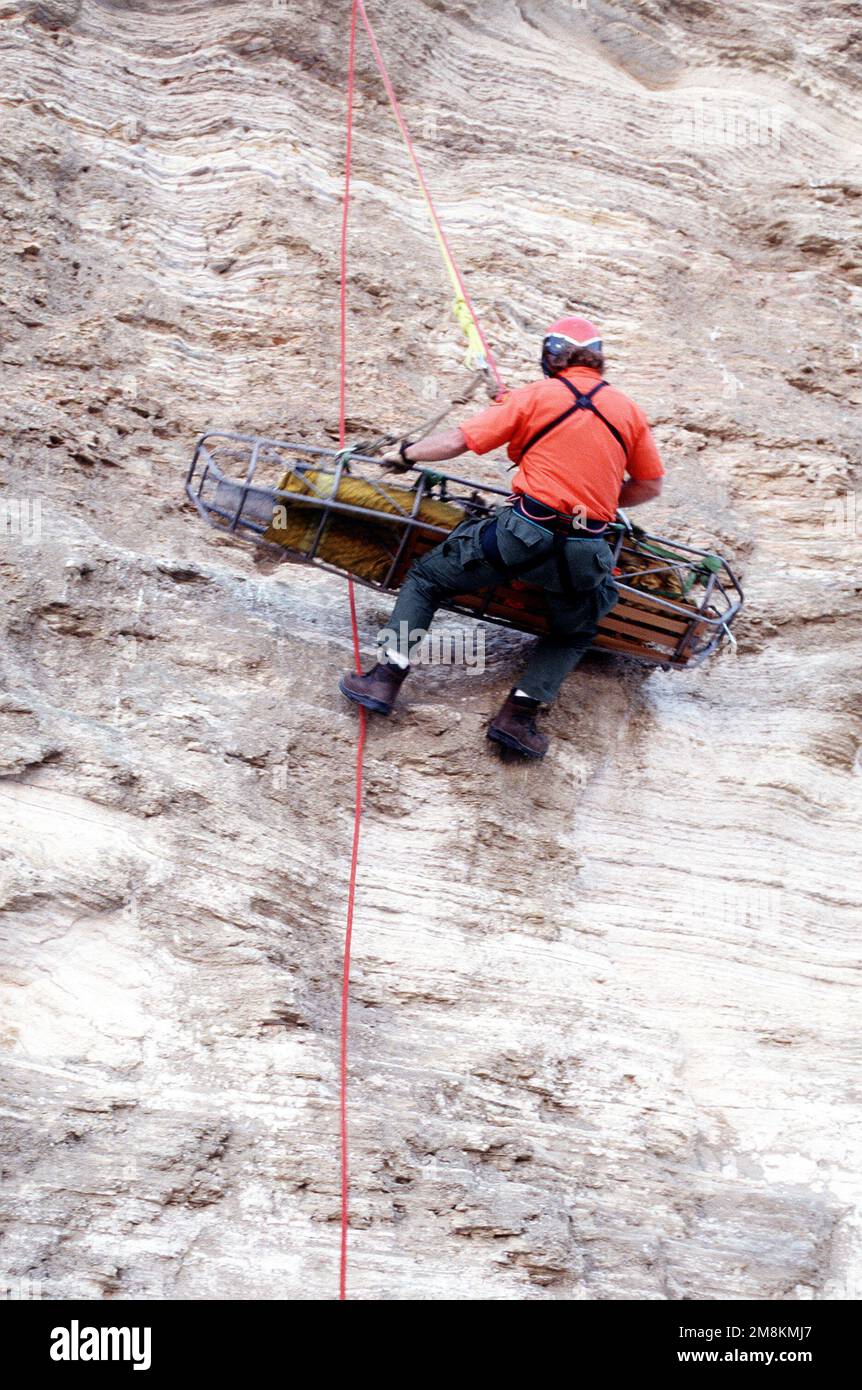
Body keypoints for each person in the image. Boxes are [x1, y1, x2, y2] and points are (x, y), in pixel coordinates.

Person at [339, 315, 664, 758]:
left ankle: (385, 679)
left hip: (520, 533)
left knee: (427, 580)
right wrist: (596, 499)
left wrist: (405, 454)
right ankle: (518, 717)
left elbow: (459, 441)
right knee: (574, 631)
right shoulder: (628, 411)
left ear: (551, 356)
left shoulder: (533, 396)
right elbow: (648, 486)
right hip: (584, 550)